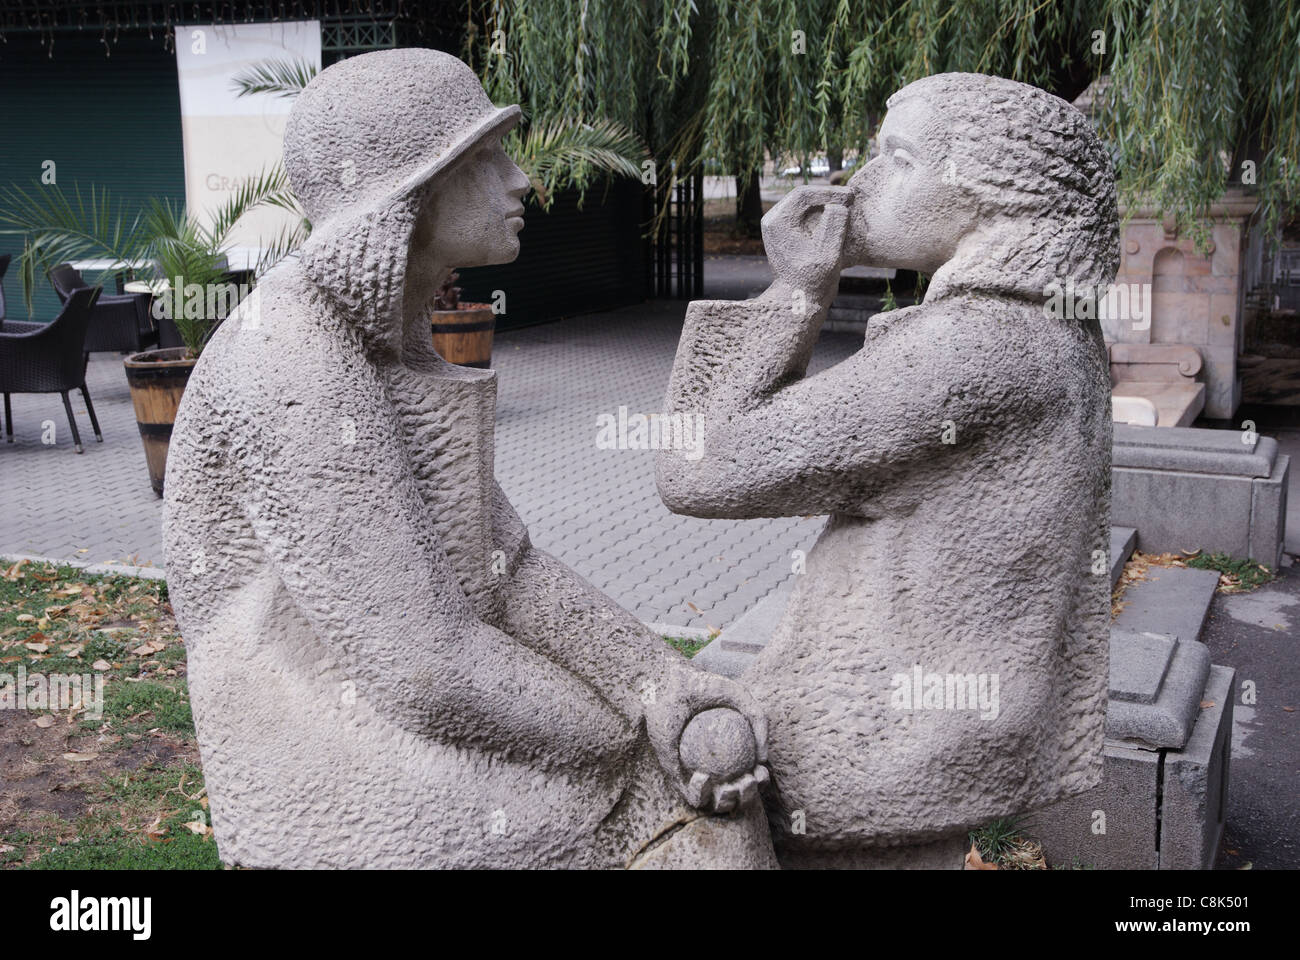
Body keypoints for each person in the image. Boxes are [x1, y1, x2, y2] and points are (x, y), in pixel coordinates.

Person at [163, 49, 775, 869]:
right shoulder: (291, 360)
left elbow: (503, 567)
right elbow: (423, 671)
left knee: (709, 808)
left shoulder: (394, 331)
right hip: (309, 715)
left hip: (411, 687)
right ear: (405, 195)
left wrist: (656, 681)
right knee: (685, 815)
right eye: (484, 158)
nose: (522, 181)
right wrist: (629, 734)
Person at [657, 73, 1115, 867]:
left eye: (895, 160)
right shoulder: (1057, 329)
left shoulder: (978, 349)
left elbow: (700, 465)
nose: (859, 185)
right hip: (937, 731)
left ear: (989, 194)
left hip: (870, 744)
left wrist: (798, 287)